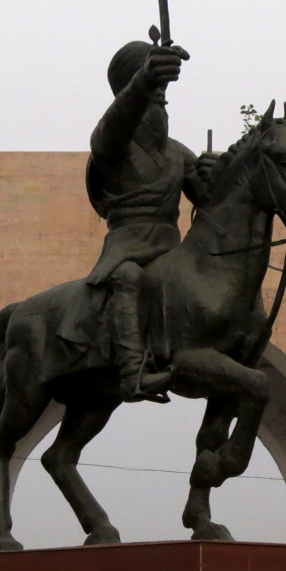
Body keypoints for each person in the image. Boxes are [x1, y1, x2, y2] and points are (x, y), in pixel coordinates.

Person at [67, 39, 214, 401]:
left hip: (170, 249)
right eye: (153, 95)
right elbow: (114, 125)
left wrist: (216, 173)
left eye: (163, 95)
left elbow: (210, 199)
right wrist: (145, 80)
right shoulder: (111, 143)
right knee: (128, 277)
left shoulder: (178, 152)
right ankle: (133, 373)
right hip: (127, 246)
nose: (160, 103)